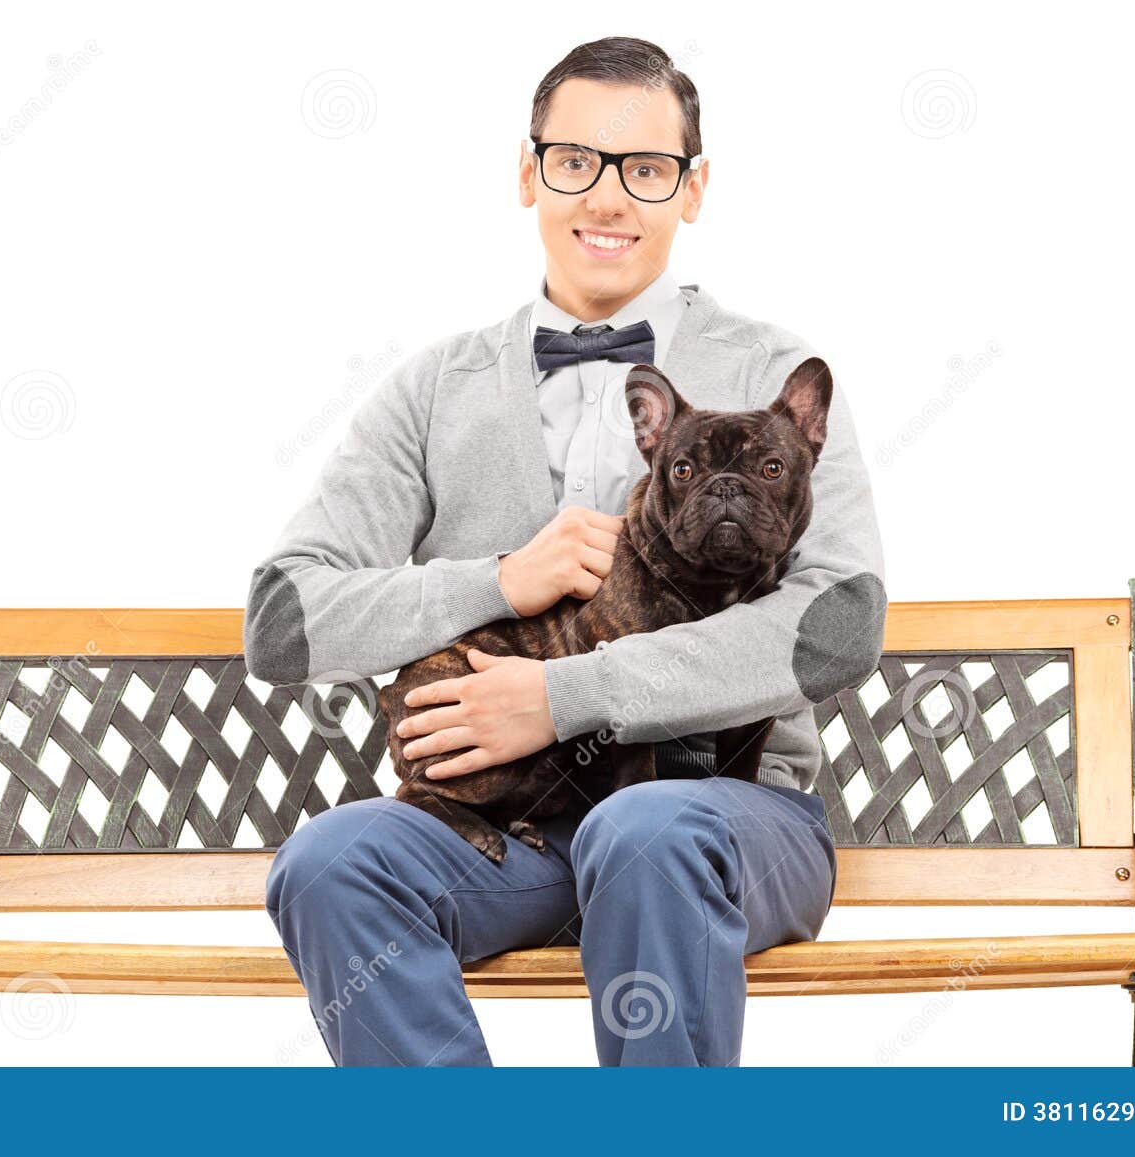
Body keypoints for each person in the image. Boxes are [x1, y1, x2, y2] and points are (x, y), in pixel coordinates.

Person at [243, 36, 887, 1066]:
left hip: (730, 824)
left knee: (644, 830)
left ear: (694, 188)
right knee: (333, 859)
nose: (609, 197)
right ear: (528, 172)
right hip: (511, 838)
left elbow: (838, 622)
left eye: (645, 169)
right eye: (576, 160)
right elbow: (283, 621)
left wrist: (569, 693)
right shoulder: (430, 389)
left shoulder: (771, 372)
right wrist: (495, 580)